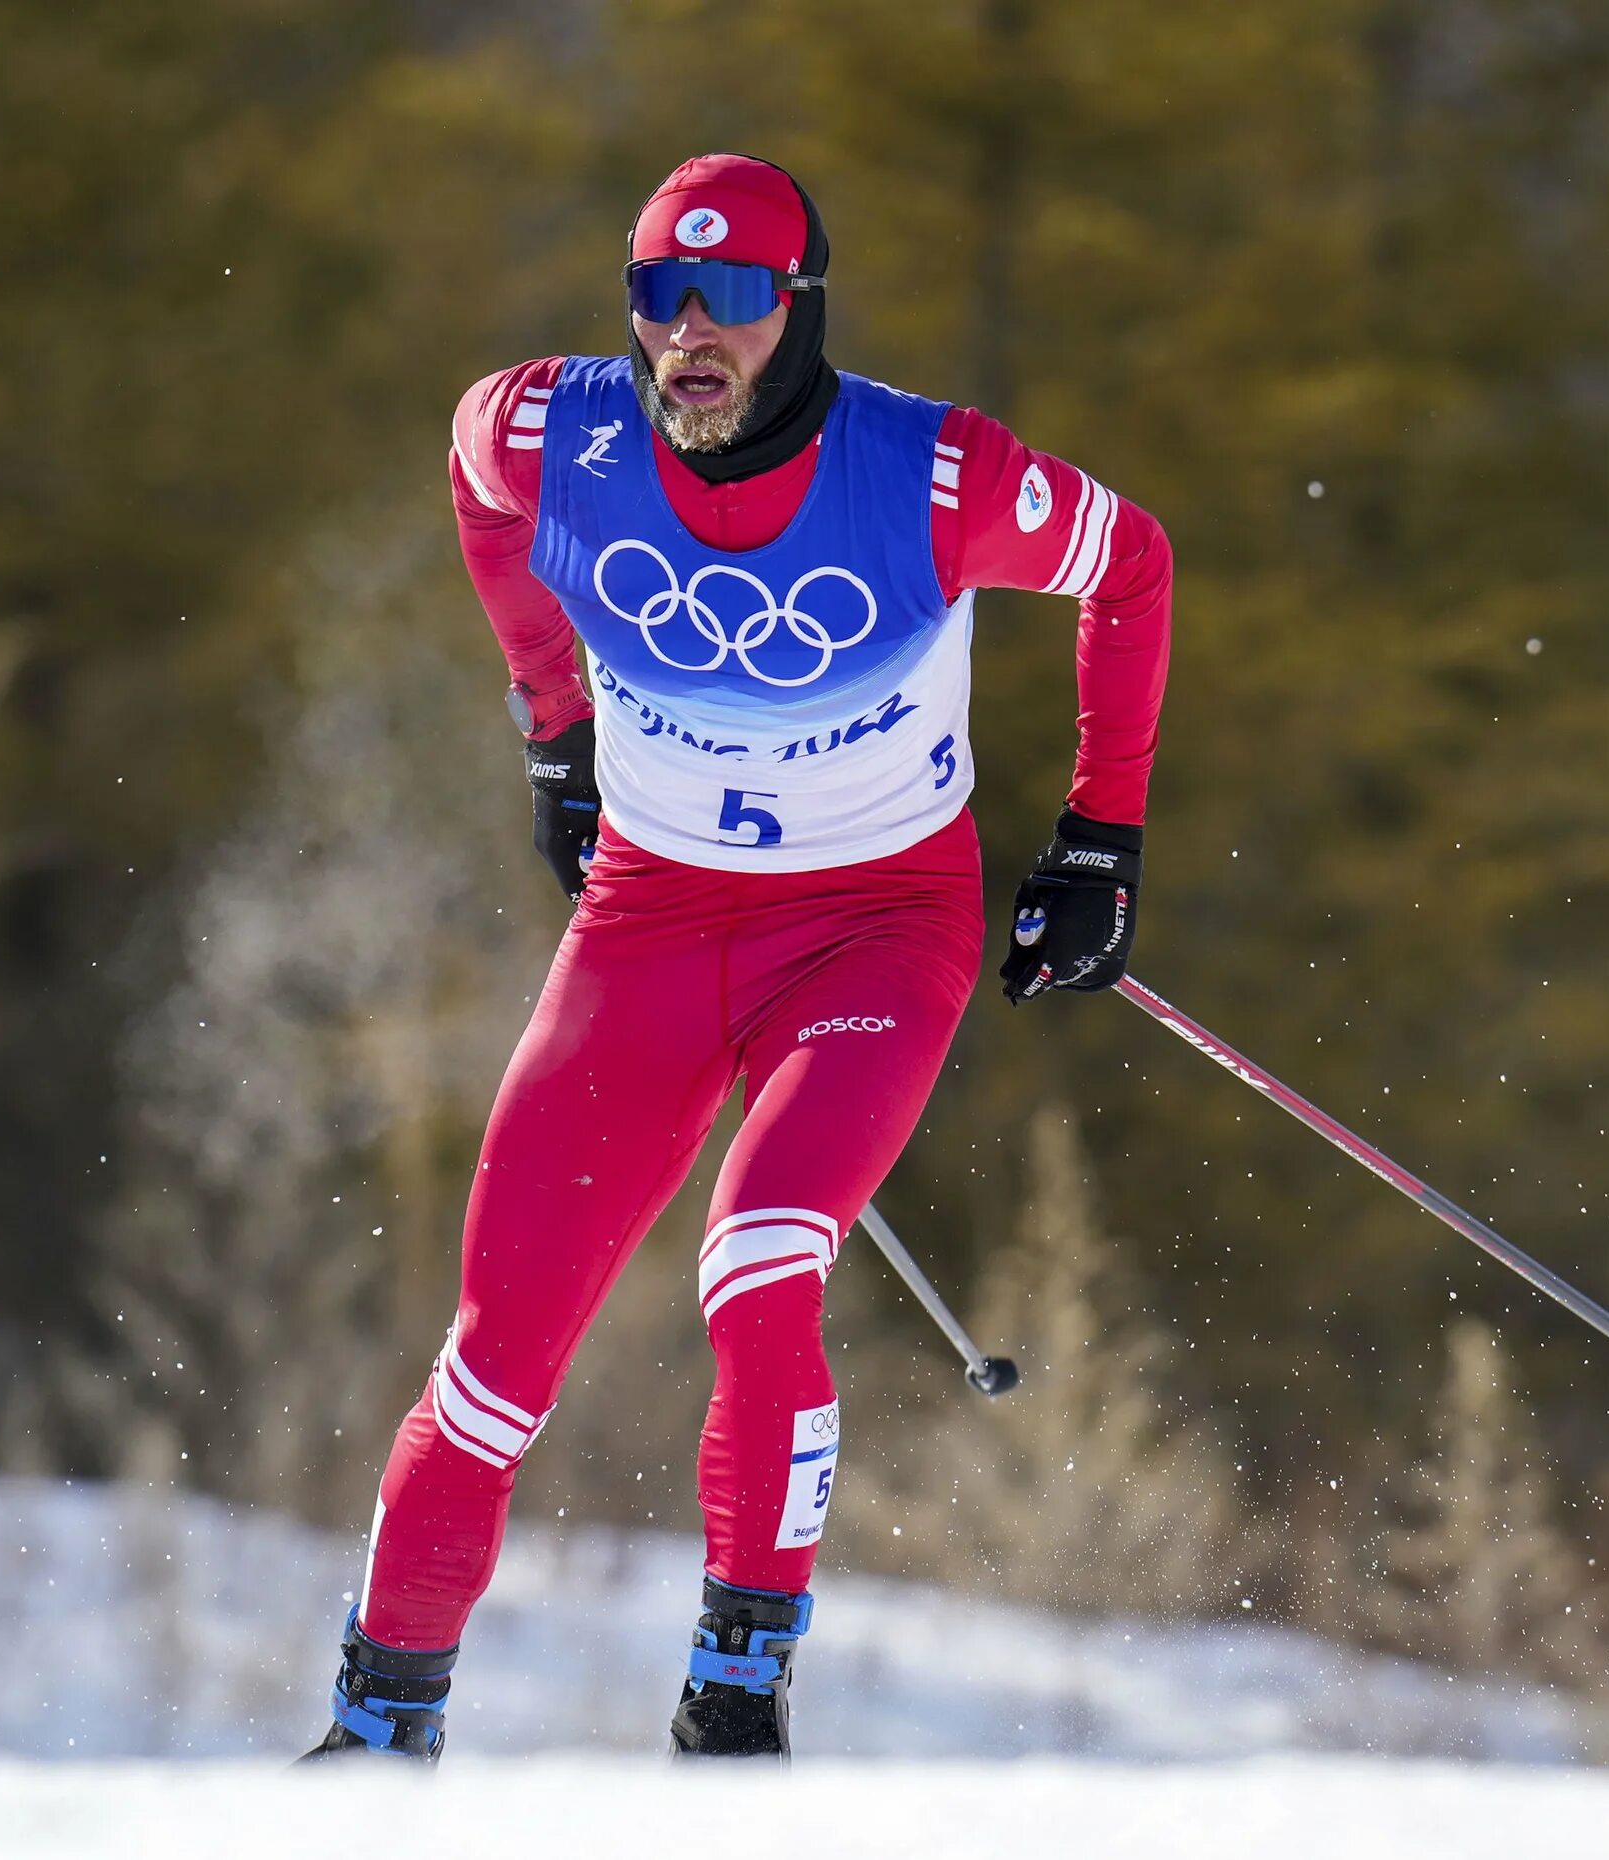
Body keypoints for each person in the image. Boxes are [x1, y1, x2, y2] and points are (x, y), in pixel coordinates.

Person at [302, 152, 1172, 1762]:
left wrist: (1100, 841)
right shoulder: (546, 432)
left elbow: (1131, 563)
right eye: (659, 297)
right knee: (493, 1365)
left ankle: (735, 1702)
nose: (693, 332)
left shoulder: (933, 478)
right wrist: (551, 727)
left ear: (802, 306)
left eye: (737, 298)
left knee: (758, 1270)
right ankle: (373, 1740)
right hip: (648, 924)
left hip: (873, 932)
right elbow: (475, 490)